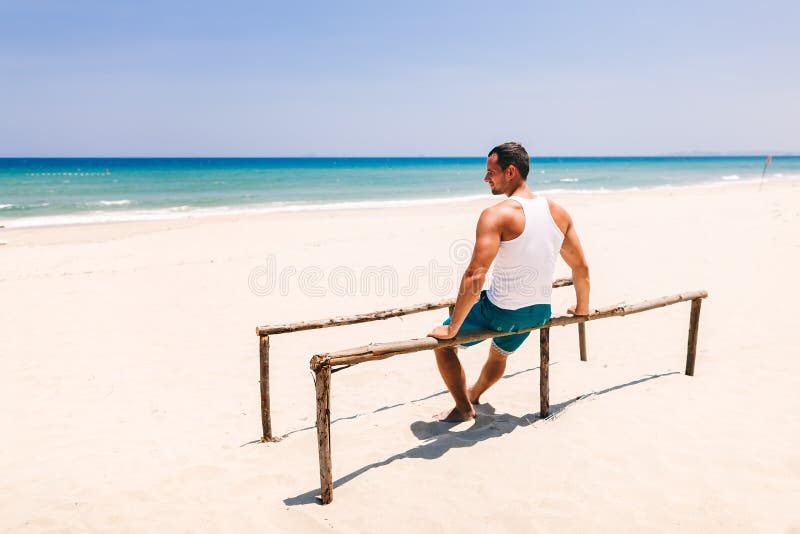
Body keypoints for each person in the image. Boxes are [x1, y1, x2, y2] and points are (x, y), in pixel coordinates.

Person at [428, 142, 590, 422]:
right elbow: (581, 267)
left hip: (501, 311)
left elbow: (475, 275)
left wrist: (453, 327)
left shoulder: (497, 214)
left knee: (442, 346)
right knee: (499, 354)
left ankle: (464, 410)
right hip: (539, 312)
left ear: (511, 171)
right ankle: (475, 394)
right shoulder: (558, 212)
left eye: (491, 172)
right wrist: (582, 309)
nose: (485, 178)